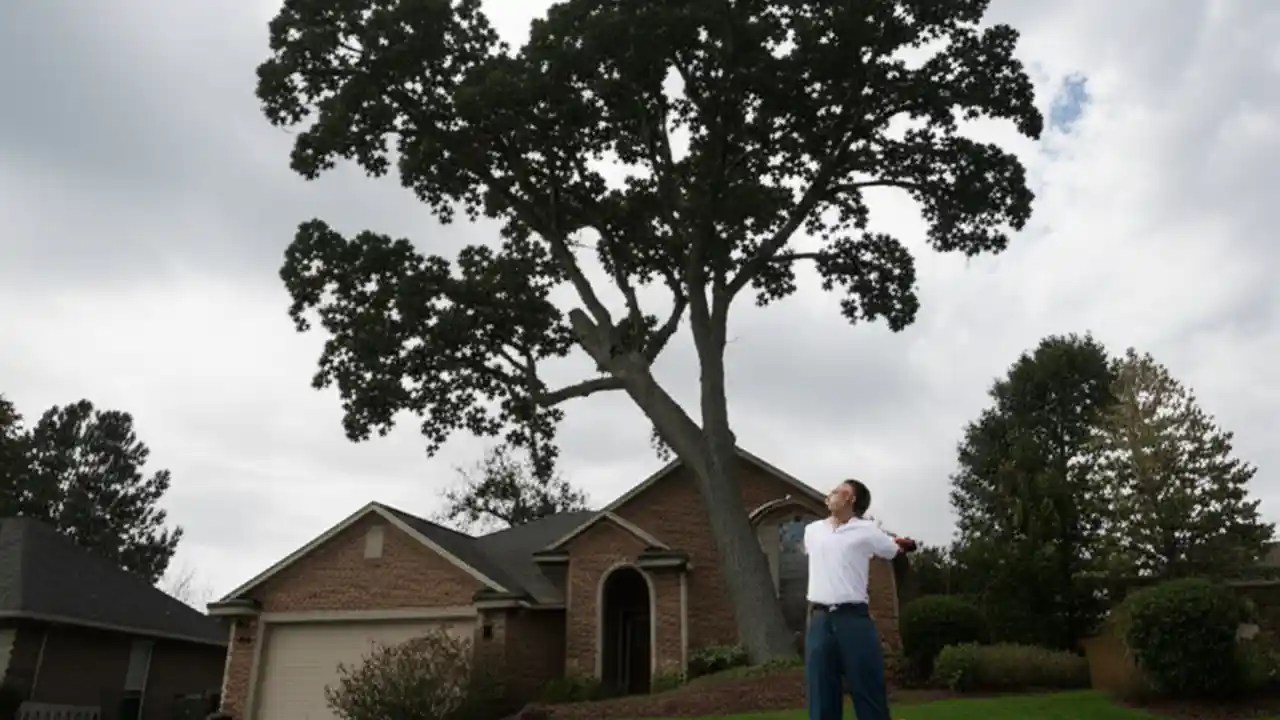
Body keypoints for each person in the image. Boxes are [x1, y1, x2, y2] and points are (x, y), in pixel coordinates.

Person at [804, 479, 916, 720]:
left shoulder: (867, 530)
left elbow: (892, 549)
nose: (830, 493)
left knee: (868, 691)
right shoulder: (812, 531)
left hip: (853, 619)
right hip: (820, 621)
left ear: (850, 499)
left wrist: (902, 544)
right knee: (821, 695)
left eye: (837, 490)